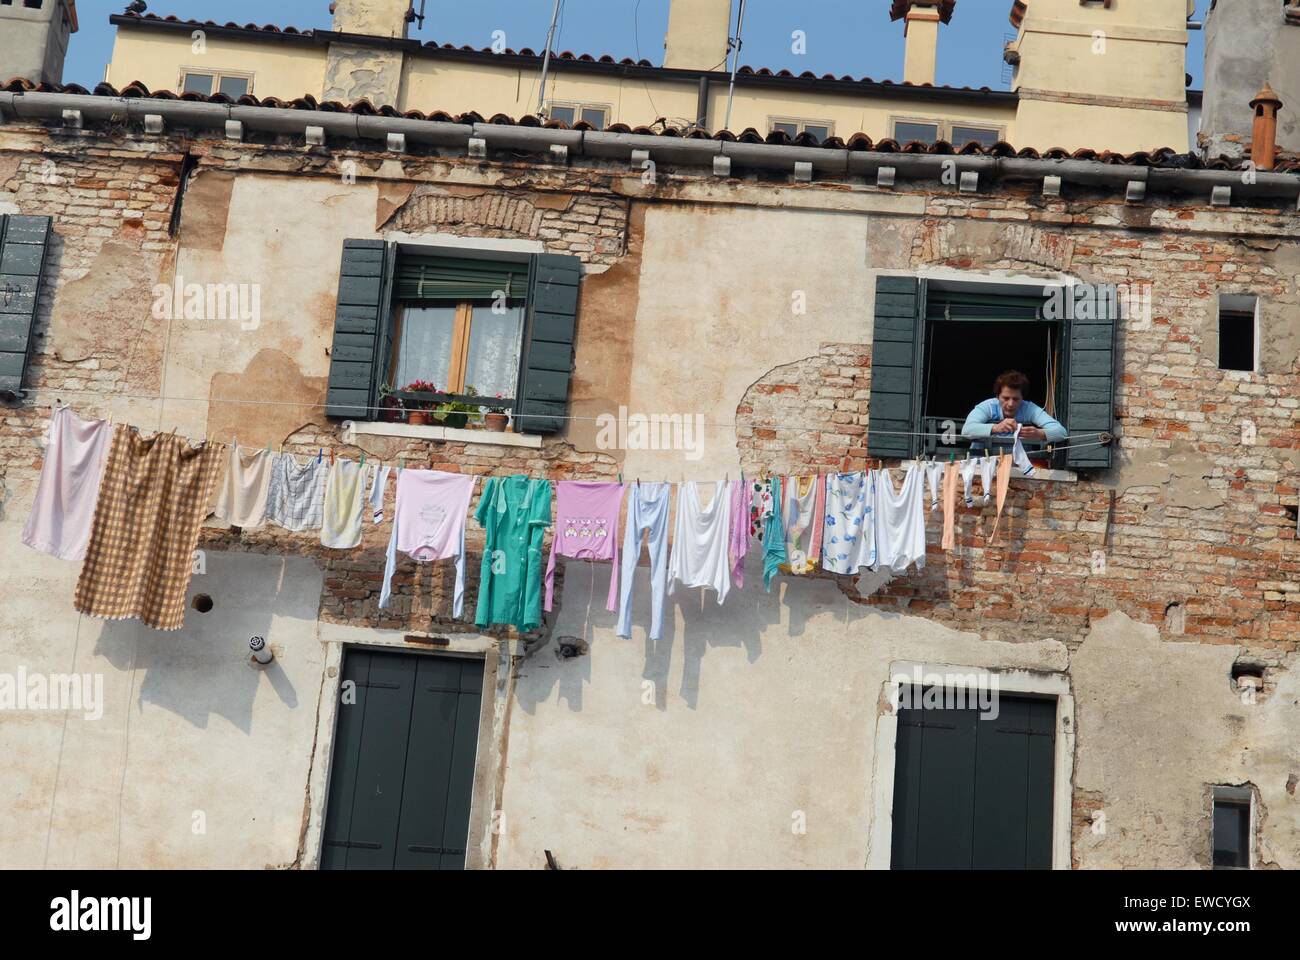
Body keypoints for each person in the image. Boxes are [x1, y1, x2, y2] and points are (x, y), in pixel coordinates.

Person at [962, 370, 1066, 450]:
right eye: (1006, 398)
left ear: (1023, 398)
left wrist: (1040, 433)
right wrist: (995, 427)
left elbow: (1061, 432)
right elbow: (967, 430)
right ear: (997, 396)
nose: (1011, 404)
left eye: (1016, 399)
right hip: (982, 463)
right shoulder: (987, 406)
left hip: (1017, 467)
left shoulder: (1029, 408)